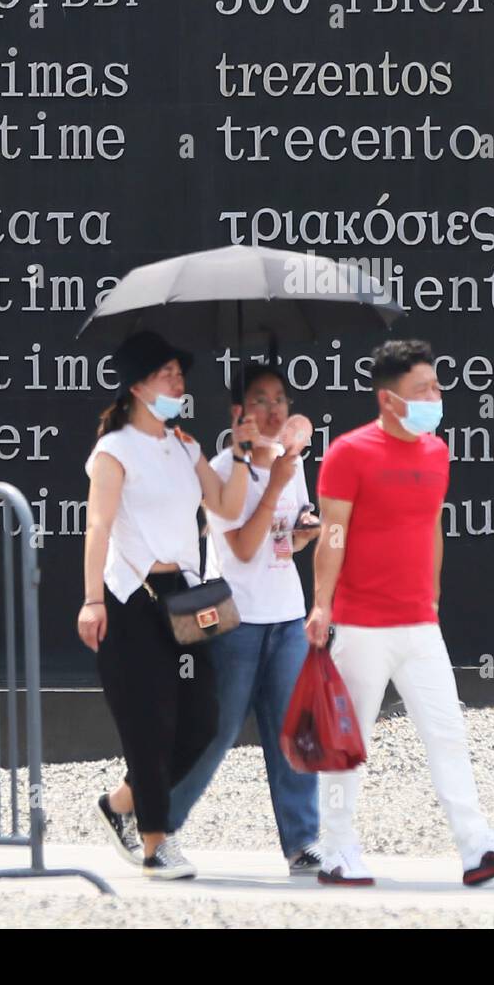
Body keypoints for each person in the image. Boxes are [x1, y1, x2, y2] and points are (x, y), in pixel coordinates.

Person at [306, 337, 494, 887]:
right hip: (361, 625)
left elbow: (432, 525)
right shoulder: (348, 452)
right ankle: (338, 849)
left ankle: (476, 846)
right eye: (423, 389)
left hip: (419, 624)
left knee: (447, 732)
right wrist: (321, 605)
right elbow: (332, 535)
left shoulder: (437, 452)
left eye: (435, 386)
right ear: (389, 400)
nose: (436, 396)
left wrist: (432, 597)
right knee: (349, 742)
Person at [77, 330, 259, 880]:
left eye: (180, 375)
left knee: (202, 719)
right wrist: (91, 601)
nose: (179, 383)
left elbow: (224, 504)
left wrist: (243, 452)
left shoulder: (185, 445)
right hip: (131, 596)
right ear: (137, 386)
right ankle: (157, 844)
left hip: (185, 596)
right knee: (148, 722)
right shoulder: (113, 449)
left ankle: (121, 804)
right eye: (167, 375)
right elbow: (98, 525)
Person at [167, 363, 322, 872]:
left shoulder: (289, 462)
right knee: (216, 731)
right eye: (261, 399)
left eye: (281, 399)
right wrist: (274, 485)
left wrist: (304, 531)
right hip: (234, 620)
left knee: (294, 731)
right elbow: (241, 546)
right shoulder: (222, 467)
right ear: (240, 413)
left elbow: (281, 543)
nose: (275, 409)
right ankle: (158, 826)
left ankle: (303, 842)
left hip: (286, 614)